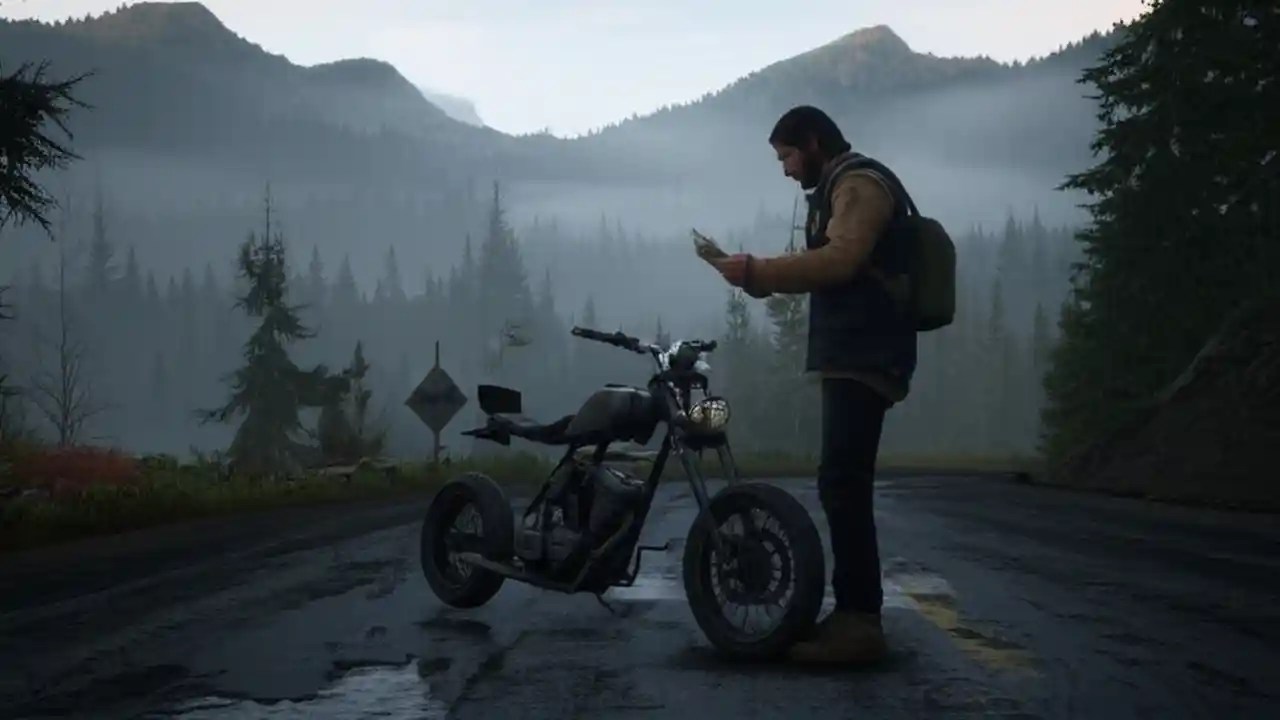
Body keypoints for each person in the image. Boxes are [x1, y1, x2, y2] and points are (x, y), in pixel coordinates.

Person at [710, 105, 917, 664]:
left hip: (866, 352)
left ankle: (859, 624)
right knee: (841, 482)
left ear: (813, 142)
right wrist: (757, 280)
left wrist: (758, 273)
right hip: (857, 352)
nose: (784, 169)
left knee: (844, 482)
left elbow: (840, 261)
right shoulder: (841, 185)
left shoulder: (859, 186)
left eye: (787, 156)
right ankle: (853, 613)